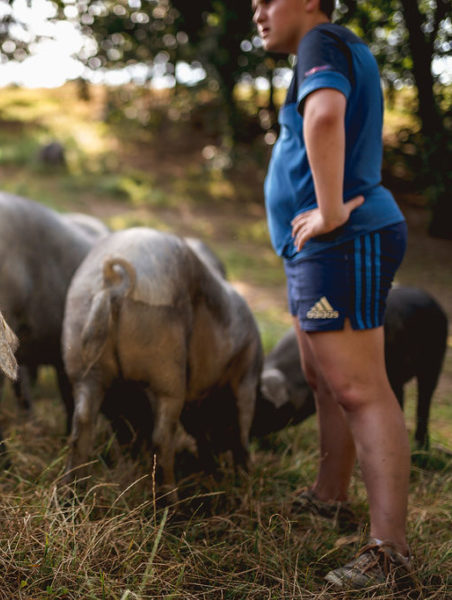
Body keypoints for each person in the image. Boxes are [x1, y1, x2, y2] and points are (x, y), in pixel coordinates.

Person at [252, 0, 416, 590]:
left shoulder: (322, 42)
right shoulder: (321, 48)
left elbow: (325, 119)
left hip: (343, 241)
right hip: (316, 251)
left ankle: (389, 554)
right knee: (322, 378)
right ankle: (329, 496)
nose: (257, 14)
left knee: (359, 389)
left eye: (266, 2)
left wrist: (325, 212)